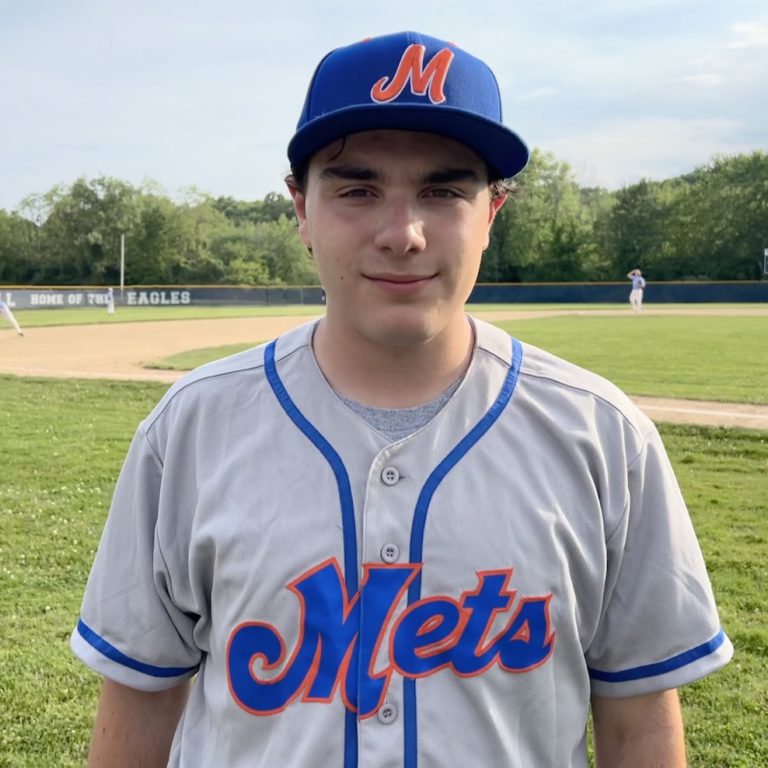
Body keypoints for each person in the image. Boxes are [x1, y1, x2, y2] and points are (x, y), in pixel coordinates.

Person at [72, 31, 732, 768]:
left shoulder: (603, 436)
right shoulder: (191, 429)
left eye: (443, 191)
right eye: (357, 190)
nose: (403, 234)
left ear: (492, 214)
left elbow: (639, 722)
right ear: (301, 208)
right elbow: (139, 704)